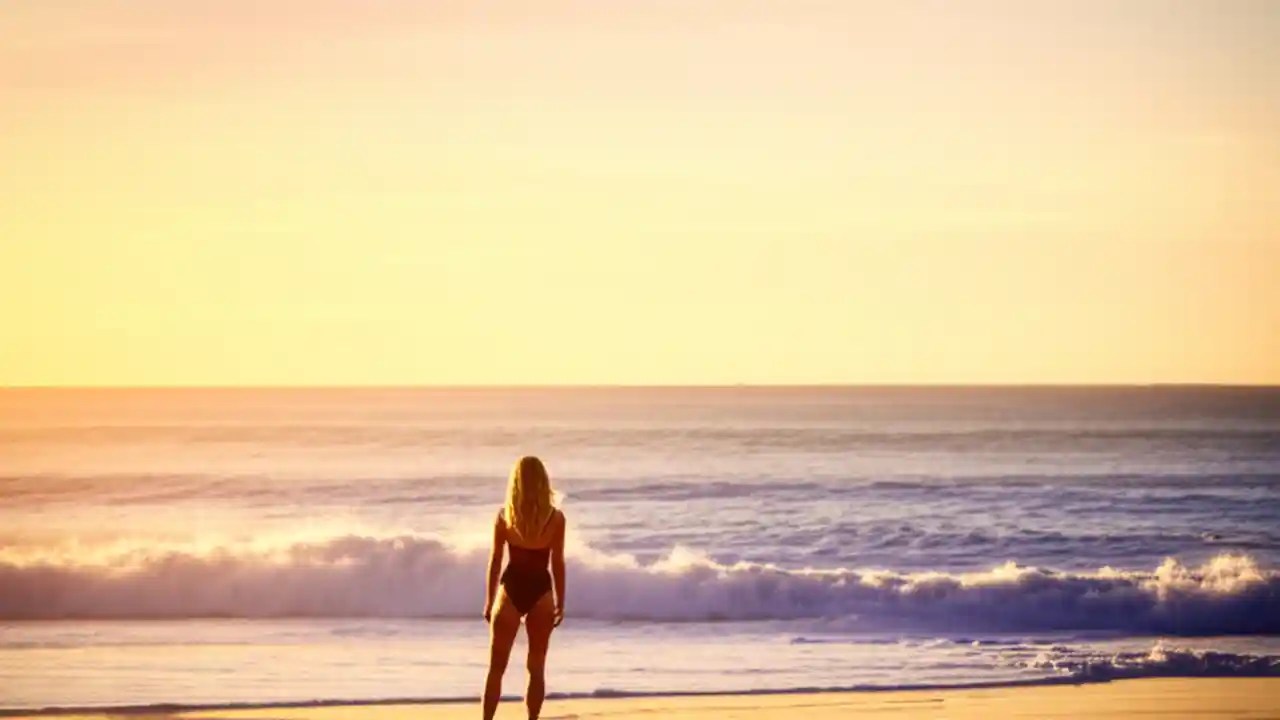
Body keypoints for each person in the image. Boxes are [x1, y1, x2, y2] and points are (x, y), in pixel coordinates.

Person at [482, 456, 566, 720]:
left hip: (510, 589)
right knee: (537, 666)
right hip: (541, 591)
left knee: (496, 668)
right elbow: (557, 563)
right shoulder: (555, 519)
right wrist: (560, 602)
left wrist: (489, 599)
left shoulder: (505, 516)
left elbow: (496, 560)